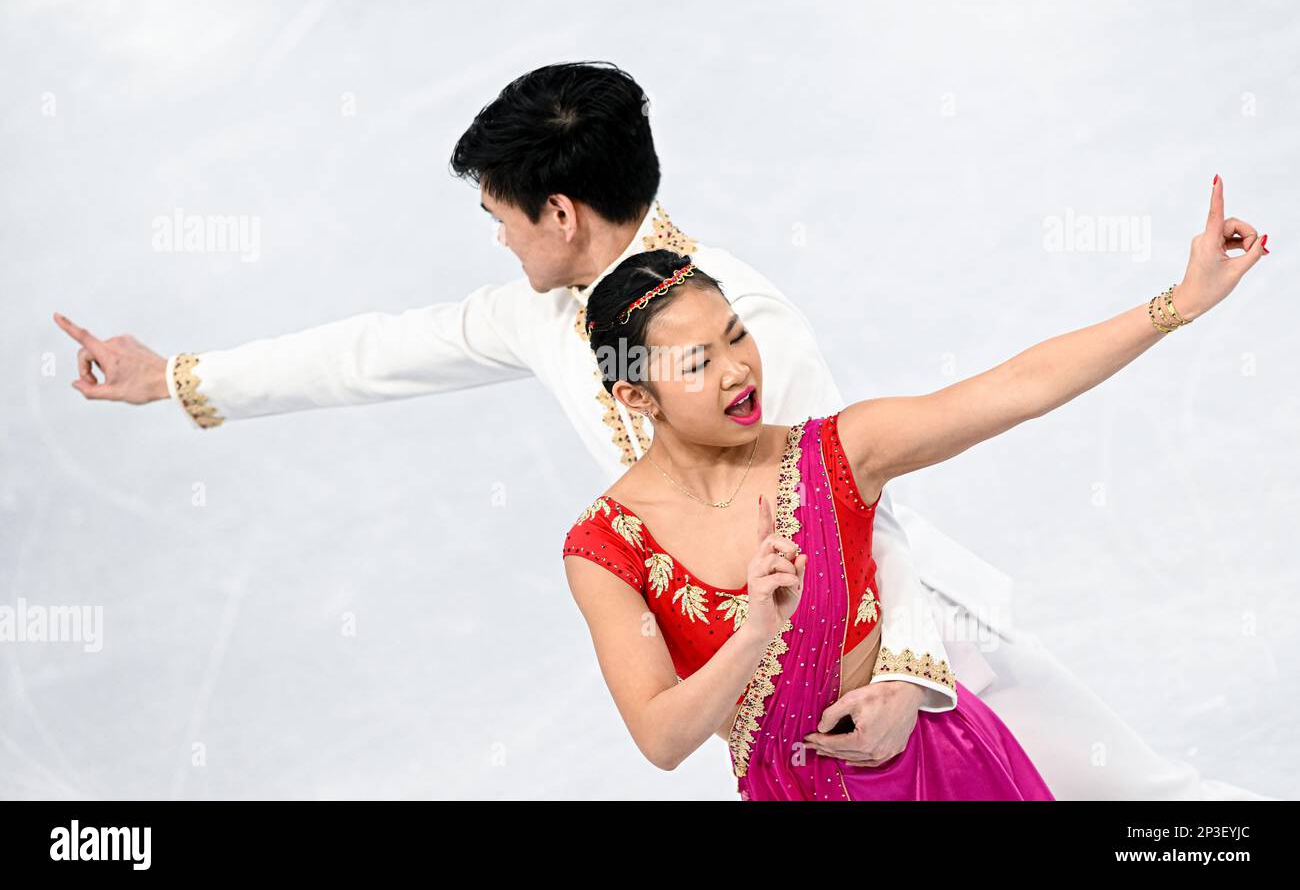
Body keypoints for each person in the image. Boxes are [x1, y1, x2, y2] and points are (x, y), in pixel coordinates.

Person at [53, 62, 1270, 798]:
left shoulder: (742, 326)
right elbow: (375, 349)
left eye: (499, 214)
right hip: (768, 699)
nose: (496, 239)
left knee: (1148, 805)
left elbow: (865, 497)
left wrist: (907, 671)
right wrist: (177, 376)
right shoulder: (543, 314)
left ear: (560, 209)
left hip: (903, 646)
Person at [561, 186, 1266, 797]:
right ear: (635, 394)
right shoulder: (606, 547)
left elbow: (1014, 388)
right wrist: (754, 634)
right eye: (696, 362)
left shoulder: (838, 452)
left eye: (737, 336)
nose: (737, 371)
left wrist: (1182, 303)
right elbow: (661, 739)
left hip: (942, 766)